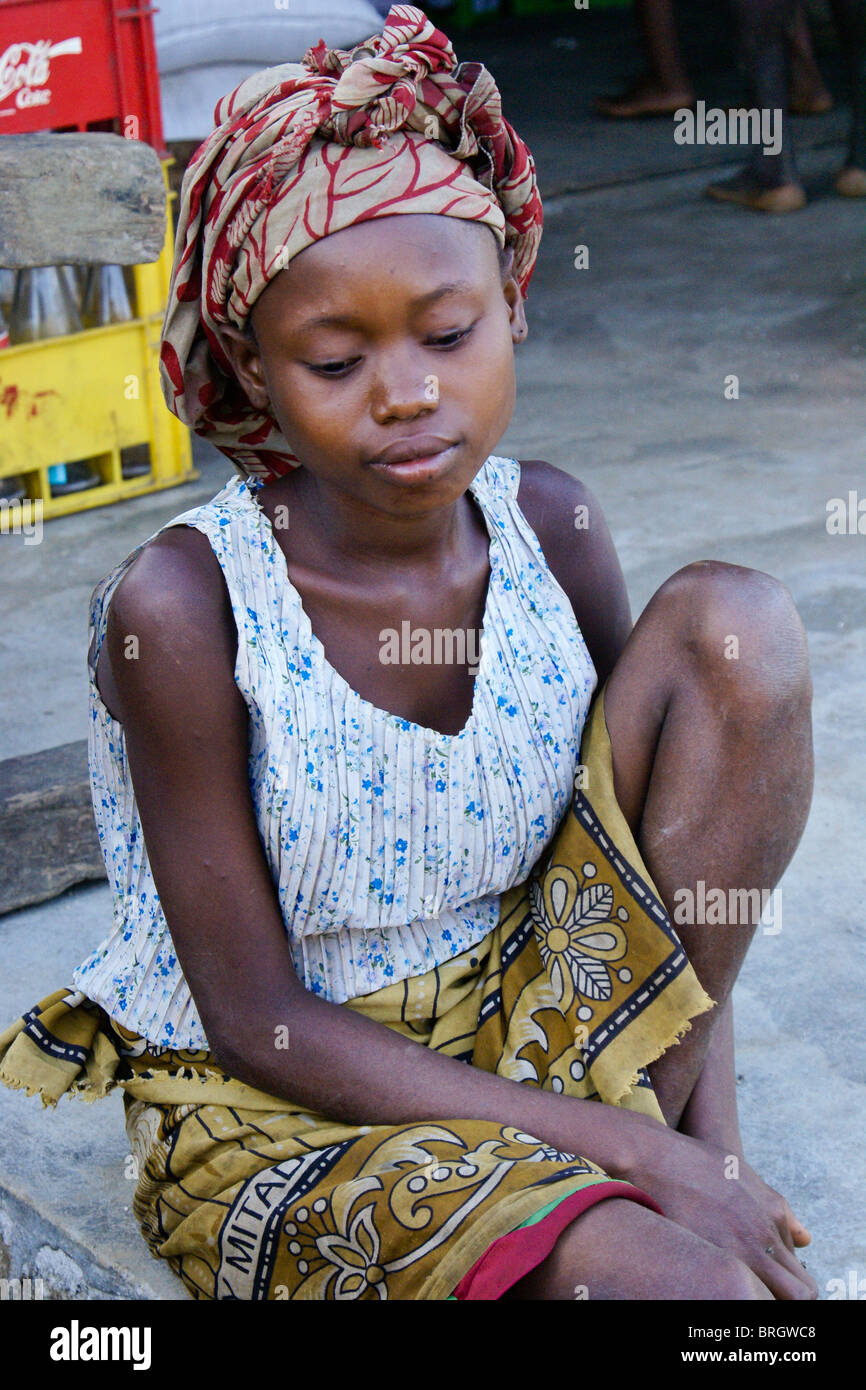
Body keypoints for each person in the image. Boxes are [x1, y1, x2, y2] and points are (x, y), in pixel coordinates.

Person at [0, 5, 818, 1301]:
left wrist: (707, 1152)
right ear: (255, 373)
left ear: (514, 308)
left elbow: (647, 868)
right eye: (335, 356)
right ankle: (596, 1176)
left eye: (446, 334)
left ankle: (622, 1155)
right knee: (681, 1295)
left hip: (527, 1012)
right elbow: (251, 1014)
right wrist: (620, 1151)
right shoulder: (185, 606)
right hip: (281, 1106)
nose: (405, 392)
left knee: (742, 625)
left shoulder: (552, 524)